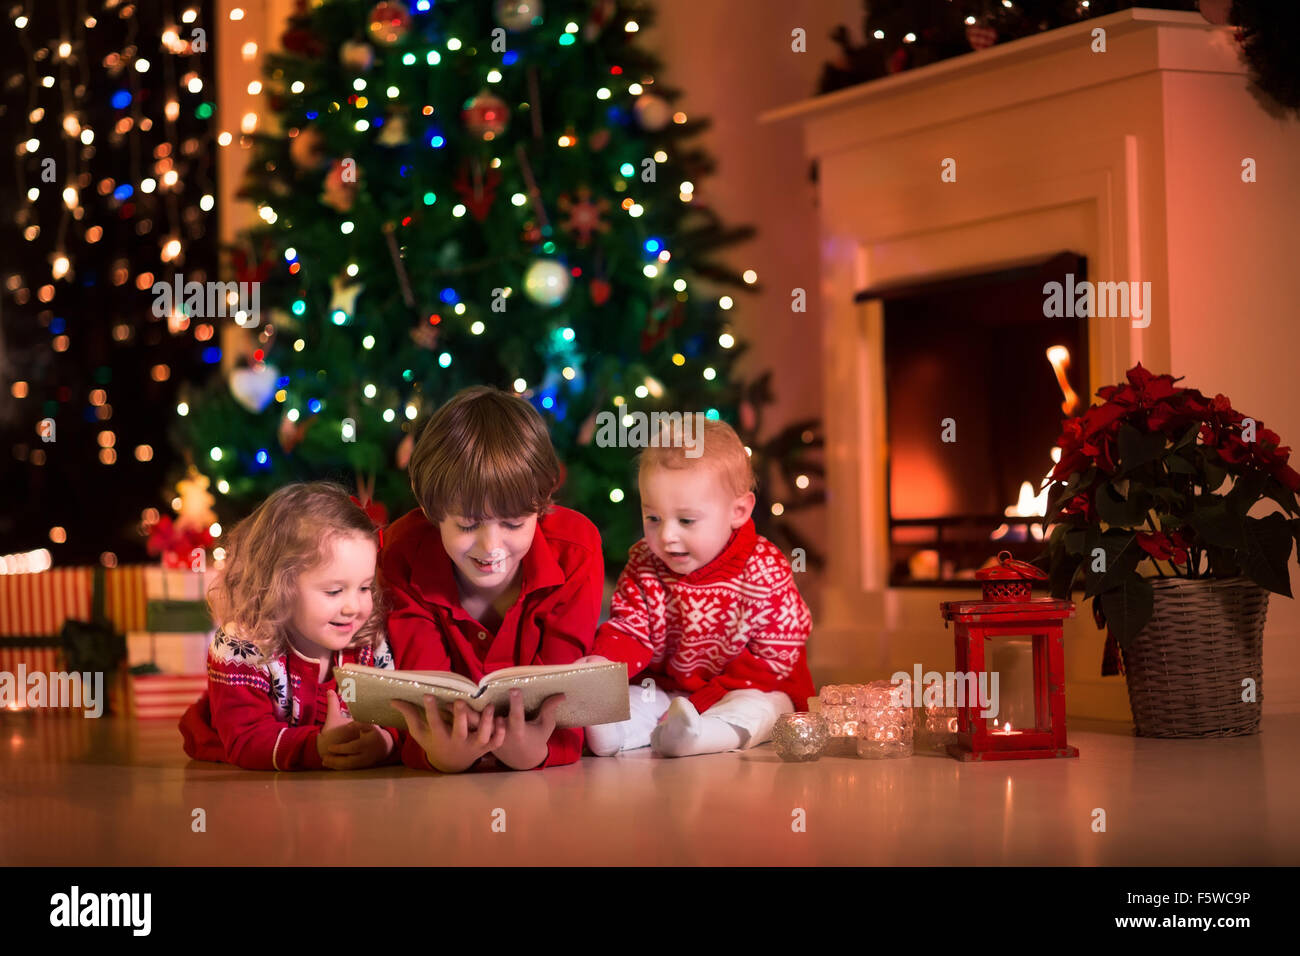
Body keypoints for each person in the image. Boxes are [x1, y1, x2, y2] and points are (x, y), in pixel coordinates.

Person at [381, 386, 603, 771]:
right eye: (467, 525)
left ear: (542, 505)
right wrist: (437, 753)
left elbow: (565, 701)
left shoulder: (576, 551)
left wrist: (542, 751)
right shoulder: (401, 554)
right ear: (431, 512)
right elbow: (420, 702)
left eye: (514, 523)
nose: (491, 547)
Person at [583, 417, 814, 757]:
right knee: (638, 698)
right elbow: (629, 631)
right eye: (653, 518)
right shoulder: (645, 565)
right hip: (669, 688)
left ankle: (702, 736)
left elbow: (775, 656)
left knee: (766, 709)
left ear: (738, 511)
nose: (666, 536)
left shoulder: (763, 567)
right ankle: (613, 730)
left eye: (686, 520)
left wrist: (706, 700)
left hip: (746, 686)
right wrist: (603, 665)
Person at [179, 481, 401, 770]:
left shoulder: (368, 639)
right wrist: (318, 745)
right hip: (245, 775)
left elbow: (398, 715)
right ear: (279, 586)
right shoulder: (243, 646)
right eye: (334, 591)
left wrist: (385, 742)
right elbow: (246, 738)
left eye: (364, 588)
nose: (353, 607)